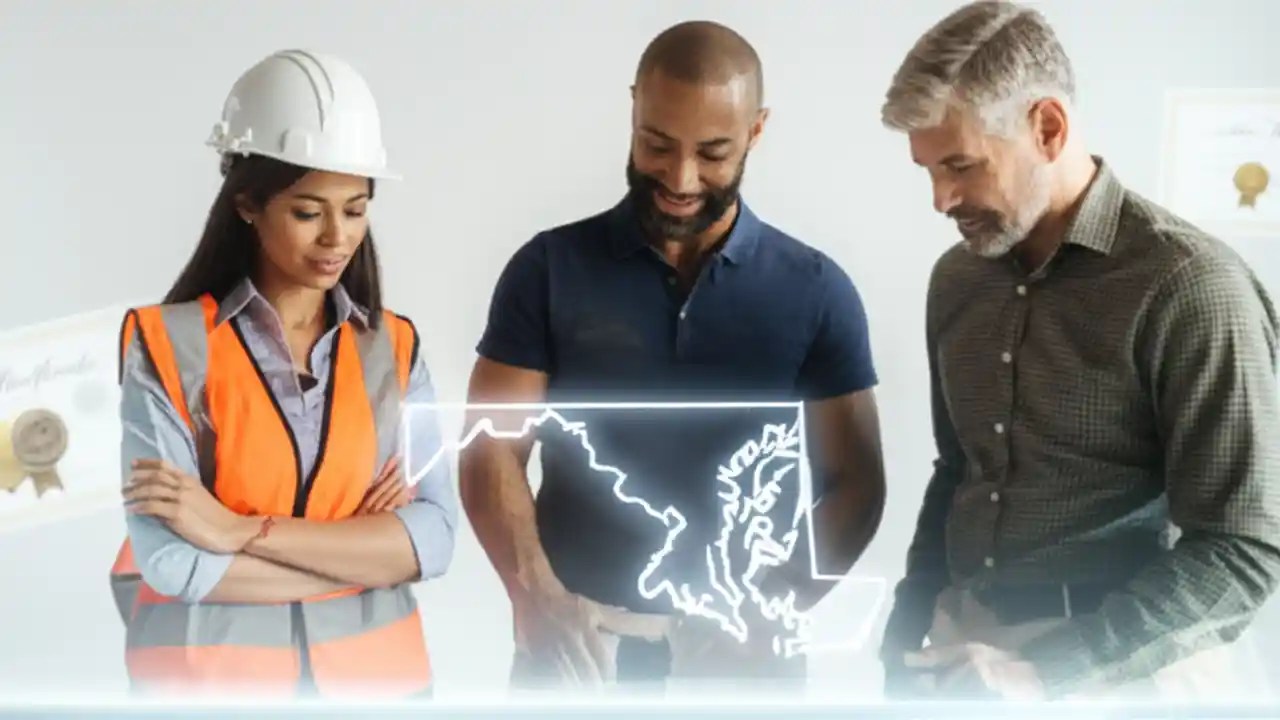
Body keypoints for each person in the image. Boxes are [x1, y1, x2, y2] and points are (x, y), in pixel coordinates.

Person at [459, 20, 886, 696]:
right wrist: (535, 597)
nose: (681, 179)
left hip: (743, 667)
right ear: (633, 110)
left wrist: (769, 611)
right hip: (578, 652)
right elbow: (490, 451)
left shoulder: (817, 290)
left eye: (713, 153)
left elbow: (856, 483)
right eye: (656, 145)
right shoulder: (546, 270)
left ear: (756, 131)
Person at [876, 0, 1280, 701]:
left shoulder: (1190, 286)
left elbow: (1242, 547)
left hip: (1129, 673)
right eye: (928, 170)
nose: (940, 198)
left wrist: (1043, 673)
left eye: (961, 166)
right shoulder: (957, 280)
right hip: (968, 654)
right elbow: (960, 470)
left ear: (1048, 128)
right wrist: (904, 632)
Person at [106, 49, 457, 699]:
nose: (337, 238)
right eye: (307, 212)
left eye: (356, 209)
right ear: (248, 202)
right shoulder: (167, 346)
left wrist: (235, 531)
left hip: (378, 693)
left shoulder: (394, 350)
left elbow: (433, 541)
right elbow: (175, 562)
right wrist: (367, 555)